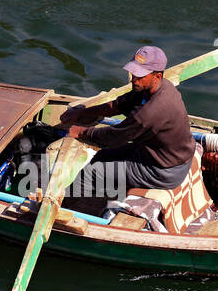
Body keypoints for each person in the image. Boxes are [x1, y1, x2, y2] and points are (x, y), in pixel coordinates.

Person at [59, 45, 195, 198]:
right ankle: (98, 191)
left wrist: (81, 132)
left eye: (140, 76)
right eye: (133, 73)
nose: (134, 79)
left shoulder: (150, 112)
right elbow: (117, 105)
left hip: (164, 170)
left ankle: (68, 208)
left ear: (157, 76)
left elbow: (115, 136)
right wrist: (83, 111)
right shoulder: (157, 87)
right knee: (102, 156)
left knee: (91, 172)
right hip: (157, 153)